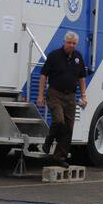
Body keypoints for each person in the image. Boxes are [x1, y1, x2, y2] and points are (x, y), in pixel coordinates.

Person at [36, 31, 89, 167]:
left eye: (74, 43)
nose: (71, 45)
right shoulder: (54, 56)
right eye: (69, 42)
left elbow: (82, 77)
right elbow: (43, 76)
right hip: (55, 94)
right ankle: (48, 141)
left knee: (69, 127)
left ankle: (59, 157)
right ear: (64, 42)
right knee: (59, 120)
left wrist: (83, 95)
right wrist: (40, 95)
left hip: (71, 96)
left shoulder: (78, 57)